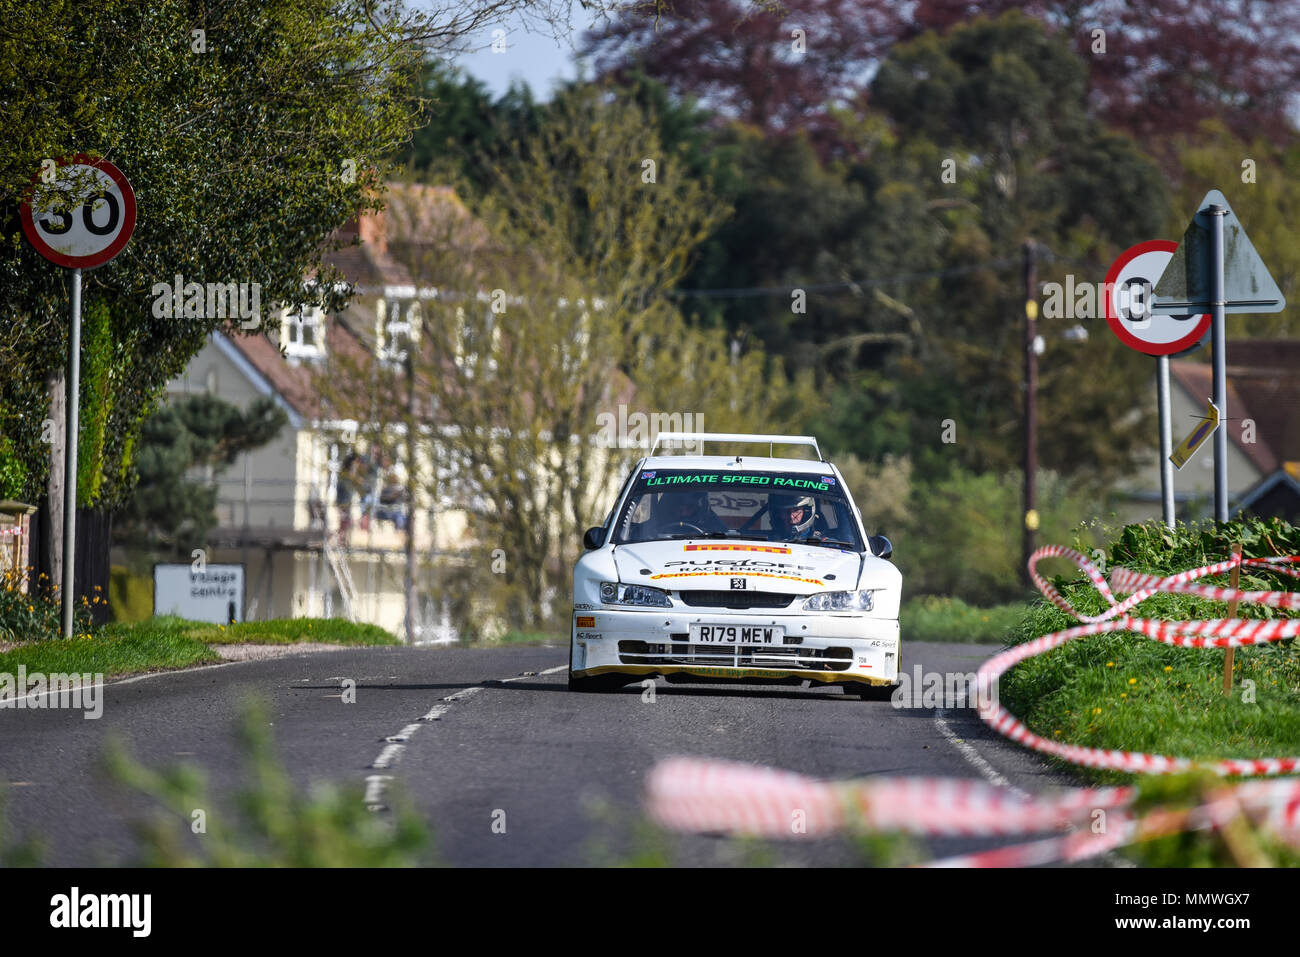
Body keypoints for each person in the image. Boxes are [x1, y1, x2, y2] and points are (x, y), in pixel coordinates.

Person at [653, 489, 727, 536]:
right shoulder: (658, 522)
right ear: (671, 508)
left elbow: (724, 536)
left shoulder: (711, 521)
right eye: (680, 509)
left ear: (699, 507)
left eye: (689, 508)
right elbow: (648, 536)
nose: (685, 512)